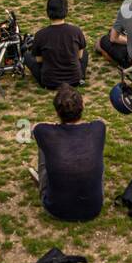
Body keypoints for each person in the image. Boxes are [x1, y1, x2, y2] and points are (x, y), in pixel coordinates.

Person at [29, 85, 106, 222]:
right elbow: (101, 121)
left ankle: (44, 182)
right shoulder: (98, 128)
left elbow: (34, 128)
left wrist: (54, 126)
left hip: (56, 209)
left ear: (57, 112)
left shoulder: (43, 131)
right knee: (94, 148)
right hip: (93, 208)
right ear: (82, 107)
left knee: (45, 145)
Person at [29, 0, 88, 88]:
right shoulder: (76, 31)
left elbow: (38, 59)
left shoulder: (40, 34)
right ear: (66, 11)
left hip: (50, 83)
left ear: (47, 12)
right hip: (74, 80)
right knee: (84, 52)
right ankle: (81, 77)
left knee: (28, 56)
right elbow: (79, 56)